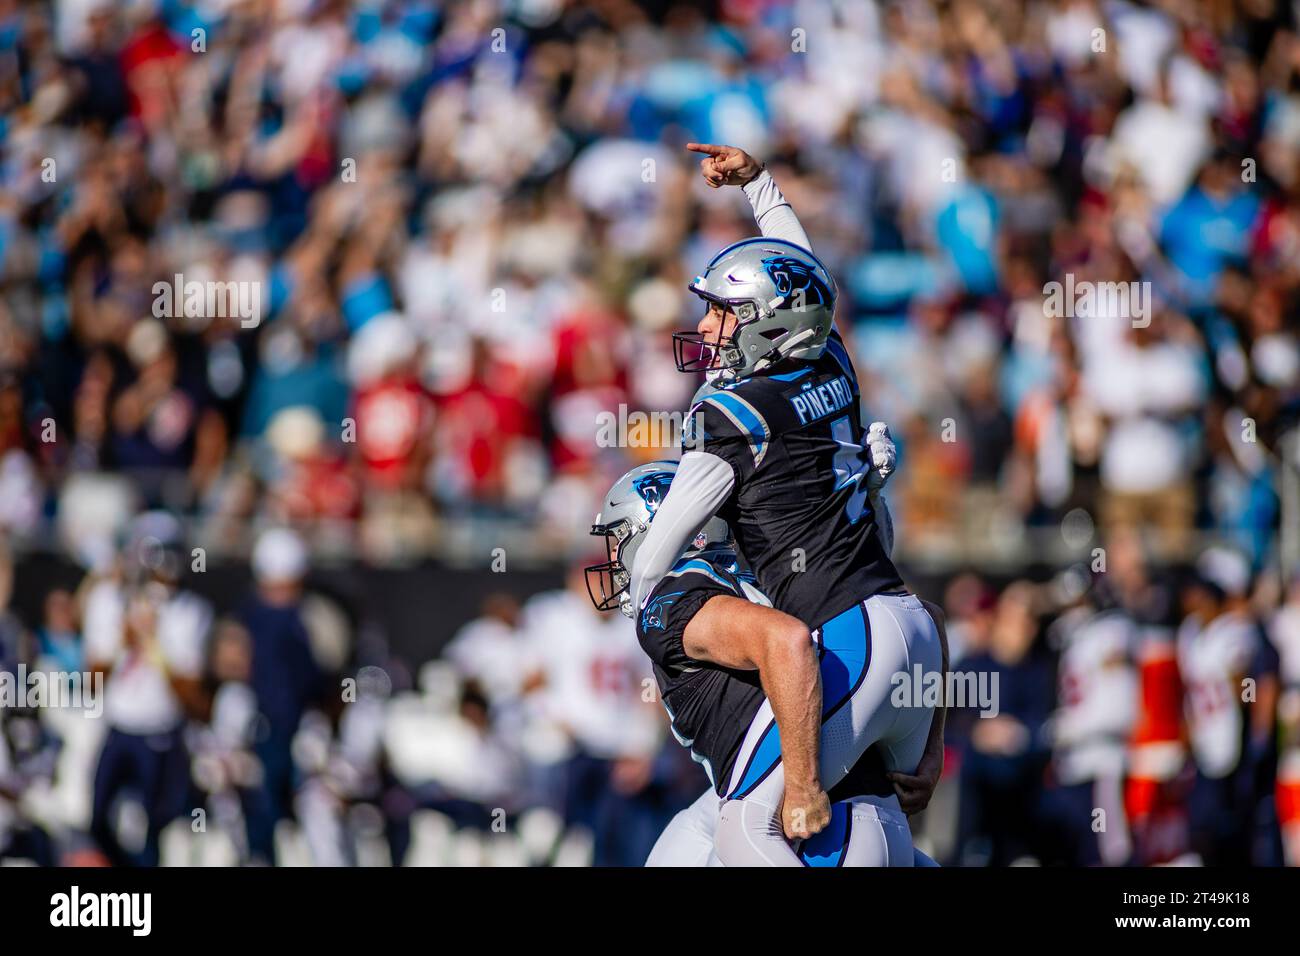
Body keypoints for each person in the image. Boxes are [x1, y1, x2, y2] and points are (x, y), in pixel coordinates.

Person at [623, 145, 945, 860]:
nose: (706, 328)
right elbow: (804, 273)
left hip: (844, 641)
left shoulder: (729, 416)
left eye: (723, 314)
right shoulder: (830, 356)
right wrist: (759, 185)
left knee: (748, 829)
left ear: (769, 323)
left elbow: (656, 554)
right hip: (910, 631)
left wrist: (650, 612)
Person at [588, 459, 947, 865]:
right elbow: (921, 616)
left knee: (740, 827)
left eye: (620, 537)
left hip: (817, 831)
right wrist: (928, 749)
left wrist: (803, 785)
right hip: (867, 818)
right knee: (684, 842)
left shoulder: (675, 600)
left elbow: (786, 640)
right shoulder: (759, 576)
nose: (614, 557)